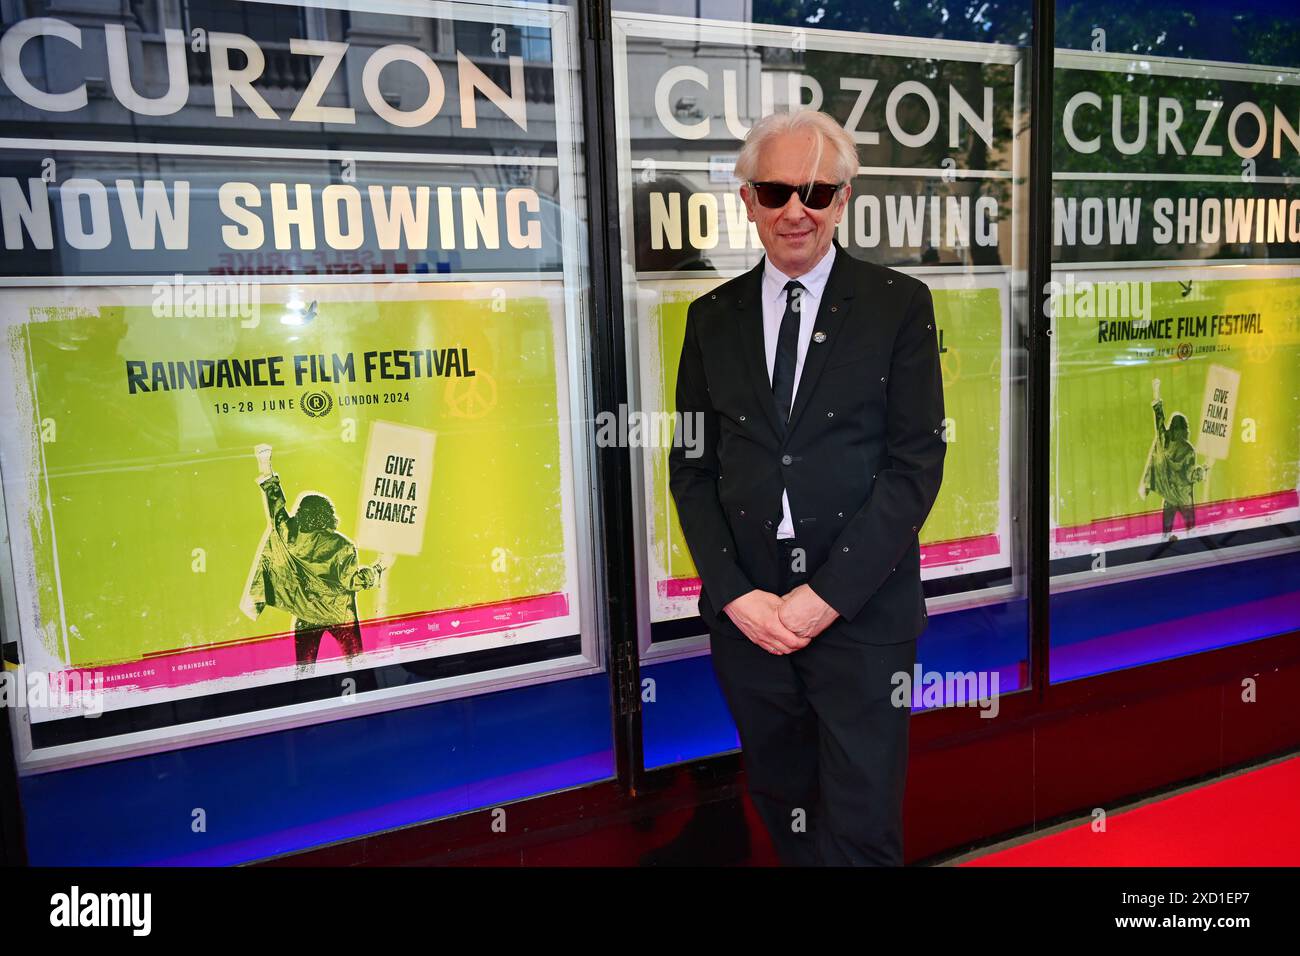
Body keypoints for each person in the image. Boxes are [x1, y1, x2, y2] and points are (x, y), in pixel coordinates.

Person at [668, 109, 947, 866]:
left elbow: (915, 464)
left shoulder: (899, 305)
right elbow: (691, 467)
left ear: (845, 199)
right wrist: (733, 594)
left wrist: (823, 598)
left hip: (861, 617)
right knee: (784, 808)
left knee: (860, 827)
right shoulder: (710, 319)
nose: (797, 209)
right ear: (748, 200)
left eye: (818, 192)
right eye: (777, 190)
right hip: (751, 621)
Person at [242, 444, 384, 674]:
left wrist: (265, 465)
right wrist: (375, 571)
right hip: (341, 615)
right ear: (328, 514)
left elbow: (276, 506)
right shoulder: (343, 545)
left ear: (301, 513)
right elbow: (352, 582)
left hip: (306, 616)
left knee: (304, 671)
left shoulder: (289, 535)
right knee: (357, 664)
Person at [1141, 378, 1206, 539]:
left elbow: (1159, 421)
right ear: (1185, 428)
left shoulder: (1165, 442)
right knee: (1192, 533)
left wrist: (1156, 393)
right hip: (1184, 499)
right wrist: (1201, 472)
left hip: (1169, 498)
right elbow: (1190, 474)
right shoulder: (1189, 448)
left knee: (1165, 535)